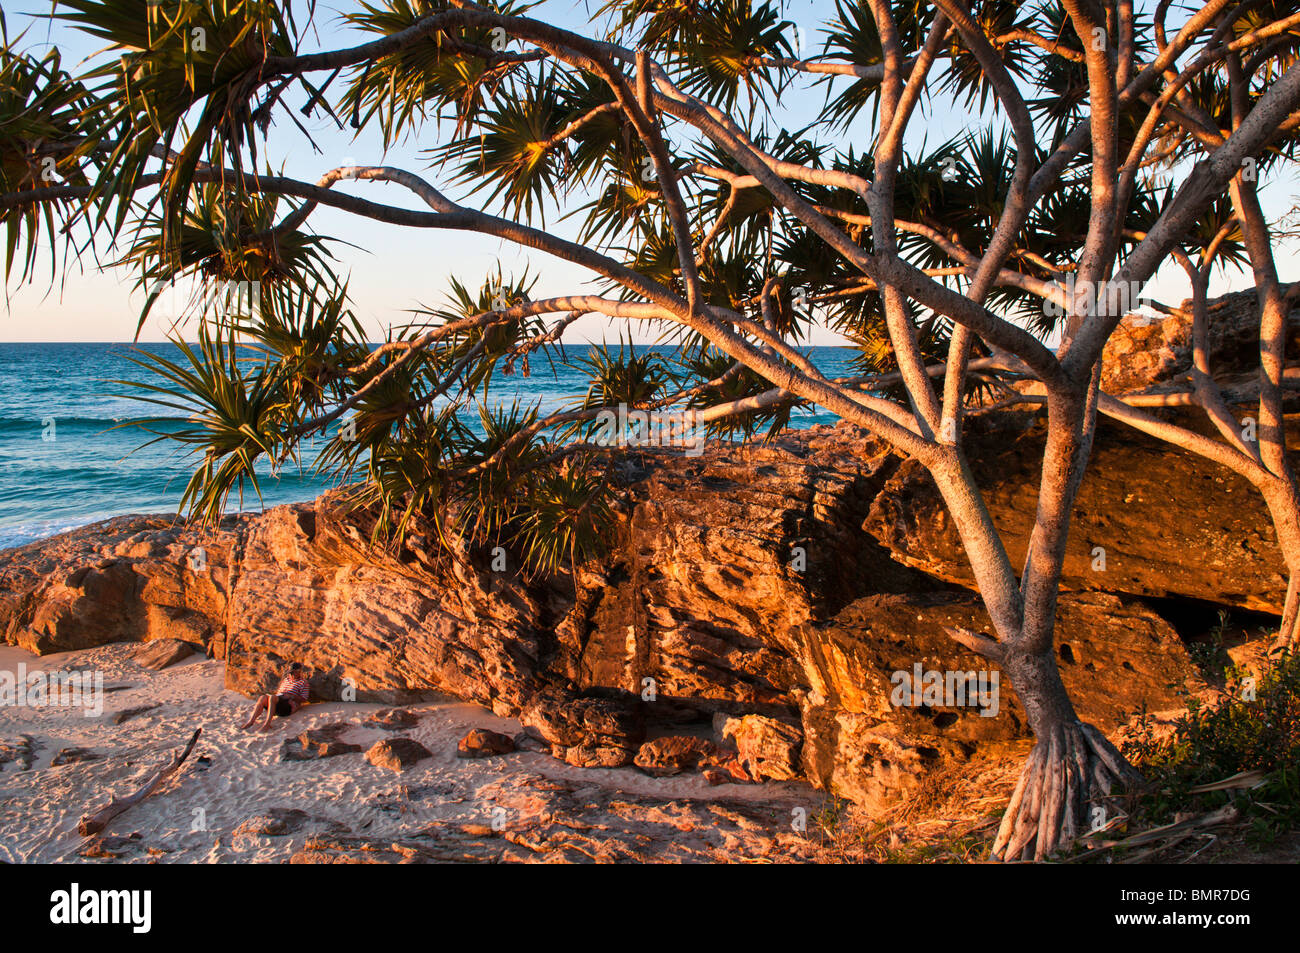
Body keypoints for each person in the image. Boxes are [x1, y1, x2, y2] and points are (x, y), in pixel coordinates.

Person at [239, 662, 311, 732]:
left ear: (299, 672)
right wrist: (281, 695)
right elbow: (279, 693)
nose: (291, 674)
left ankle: (267, 724)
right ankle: (251, 721)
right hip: (280, 703)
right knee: (263, 697)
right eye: (290, 672)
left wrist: (291, 696)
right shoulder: (286, 680)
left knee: (273, 697)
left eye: (293, 672)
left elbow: (304, 699)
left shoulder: (303, 682)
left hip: (289, 706)